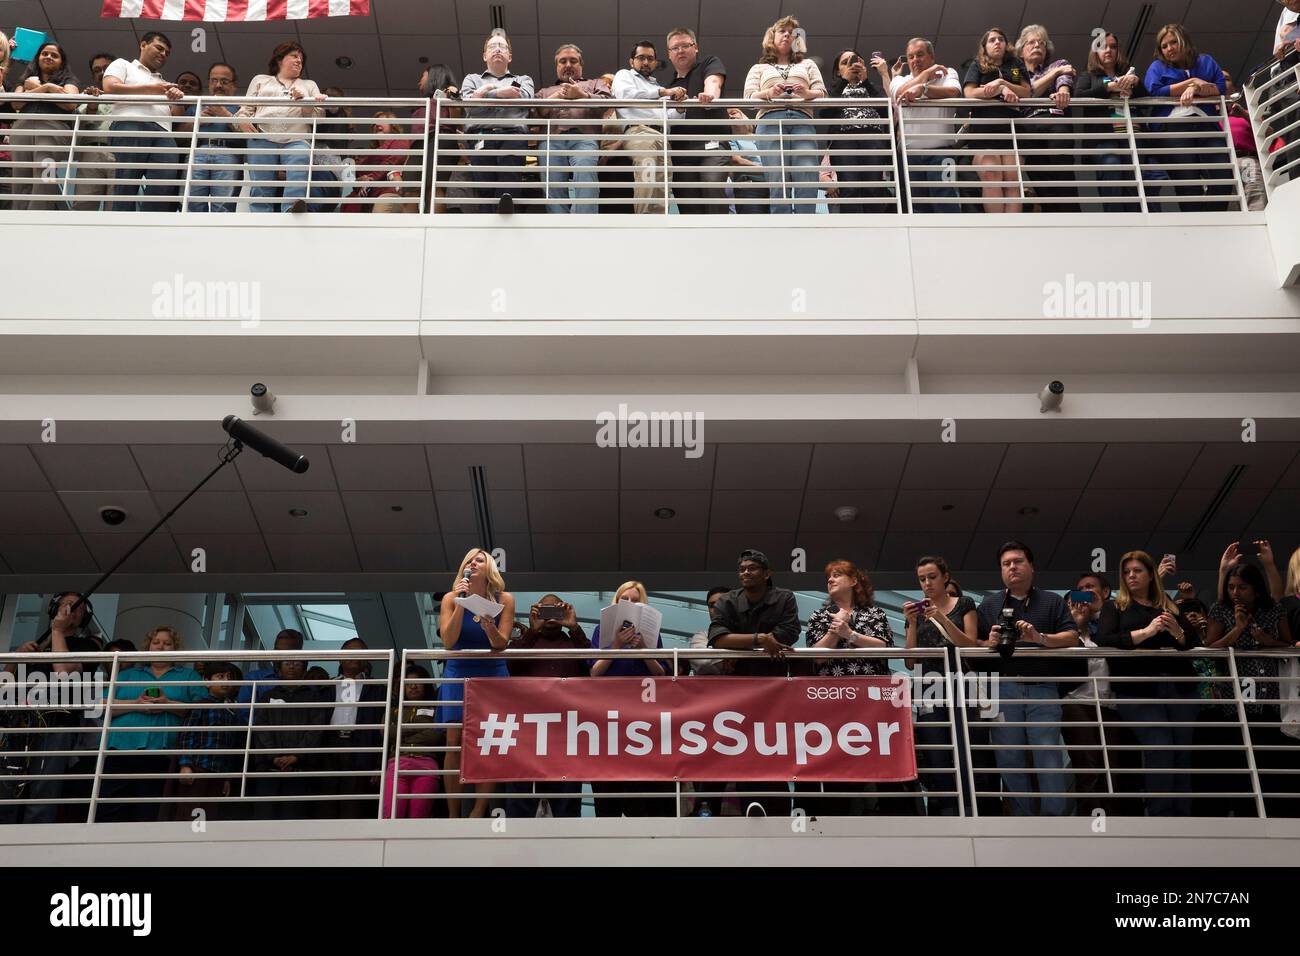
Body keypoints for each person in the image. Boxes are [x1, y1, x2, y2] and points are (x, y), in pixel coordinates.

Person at [975, 541, 1078, 816]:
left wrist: (1039, 638)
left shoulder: (1052, 601)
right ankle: (1023, 820)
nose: (1012, 567)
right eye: (1006, 563)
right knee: (1009, 758)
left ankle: (1054, 821)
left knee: (1048, 757)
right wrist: (990, 641)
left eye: (1018, 561)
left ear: (1031, 566)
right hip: (1002, 688)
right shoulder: (990, 604)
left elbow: (1072, 637)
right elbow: (975, 645)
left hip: (1042, 687)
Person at [1095, 552, 1201, 816]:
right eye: (1127, 572)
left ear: (1150, 574)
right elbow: (1105, 640)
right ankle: (1160, 816)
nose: (1131, 576)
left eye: (1138, 571)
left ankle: (1184, 817)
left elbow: (1192, 642)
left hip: (1178, 685)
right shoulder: (1114, 606)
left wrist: (1176, 631)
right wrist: (1147, 632)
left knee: (1182, 754)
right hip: (1137, 689)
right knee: (1160, 748)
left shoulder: (1168, 605)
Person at [802, 560, 906, 815]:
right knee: (839, 756)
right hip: (833, 702)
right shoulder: (819, 616)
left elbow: (885, 647)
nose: (830, 580)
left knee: (878, 754)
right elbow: (816, 656)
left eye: (837, 575)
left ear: (854, 581)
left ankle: (886, 812)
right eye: (828, 576)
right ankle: (839, 813)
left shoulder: (875, 614)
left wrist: (851, 634)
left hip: (872, 703)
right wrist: (836, 630)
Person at [706, 549, 800, 816]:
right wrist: (760, 639)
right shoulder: (727, 600)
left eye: (753, 568)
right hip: (739, 691)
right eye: (742, 569)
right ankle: (750, 807)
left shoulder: (785, 598)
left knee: (775, 746)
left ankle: (780, 812)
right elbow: (718, 638)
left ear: (767, 573)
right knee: (745, 746)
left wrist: (741, 645)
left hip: (775, 689)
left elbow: (788, 635)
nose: (746, 572)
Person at [0, 593, 103, 825]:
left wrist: (57, 631)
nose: (70, 610)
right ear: (53, 608)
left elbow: (64, 673)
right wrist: (16, 659)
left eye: (77, 608)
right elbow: (4, 687)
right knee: (7, 786)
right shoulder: (36, 647)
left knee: (43, 788)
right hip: (19, 724)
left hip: (57, 722)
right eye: (66, 604)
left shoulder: (88, 645)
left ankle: (33, 849)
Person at [1206, 560, 1295, 815]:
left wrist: (1266, 640)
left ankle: (1275, 811)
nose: (1236, 593)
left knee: (1271, 755)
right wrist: (1237, 630)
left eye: (1242, 587)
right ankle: (1244, 812)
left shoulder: (1273, 609)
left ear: (1256, 589)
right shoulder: (1220, 609)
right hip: (1236, 697)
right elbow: (1210, 648)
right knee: (1240, 757)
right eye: (1232, 587)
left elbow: (1287, 643)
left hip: (1270, 696)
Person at [437, 547, 515, 818]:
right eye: (469, 559)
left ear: (490, 567)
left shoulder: (504, 598)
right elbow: (448, 641)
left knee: (488, 740)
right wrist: (461, 601)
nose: (473, 562)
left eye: (479, 559)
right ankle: (453, 813)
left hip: (492, 673)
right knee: (454, 741)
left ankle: (479, 809)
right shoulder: (450, 597)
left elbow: (501, 644)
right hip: (459, 672)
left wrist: (489, 626)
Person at [99, 626, 205, 823]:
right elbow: (101, 706)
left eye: (167, 643)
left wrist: (167, 704)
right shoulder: (127, 675)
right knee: (109, 809)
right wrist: (136, 704)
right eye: (156, 643)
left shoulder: (189, 676)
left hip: (162, 753)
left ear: (175, 649)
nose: (161, 647)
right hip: (120, 749)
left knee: (149, 811)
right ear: (148, 647)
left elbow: (202, 710)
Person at [589, 581, 674, 817]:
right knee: (608, 776)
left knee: (639, 778)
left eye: (635, 600)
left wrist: (644, 648)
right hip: (609, 714)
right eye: (624, 599)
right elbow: (594, 672)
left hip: (642, 713)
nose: (630, 604)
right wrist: (616, 645)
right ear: (616, 603)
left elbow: (661, 673)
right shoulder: (601, 631)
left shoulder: (652, 633)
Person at [904, 556, 980, 816]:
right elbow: (911, 660)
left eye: (932, 577)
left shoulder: (964, 604)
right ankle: (947, 809)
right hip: (928, 686)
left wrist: (942, 619)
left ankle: (970, 809)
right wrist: (912, 623)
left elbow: (970, 645)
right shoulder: (917, 613)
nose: (927, 583)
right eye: (922, 579)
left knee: (965, 747)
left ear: (946, 576)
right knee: (936, 751)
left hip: (962, 682)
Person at [505, 594, 589, 818]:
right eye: (546, 610)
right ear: (536, 612)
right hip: (527, 733)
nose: (551, 615)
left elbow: (592, 666)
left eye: (556, 610)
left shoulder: (574, 642)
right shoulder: (524, 642)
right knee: (520, 801)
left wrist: (574, 627)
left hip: (567, 733)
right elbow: (509, 666)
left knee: (567, 803)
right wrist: (533, 630)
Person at [1143, 23, 1232, 211]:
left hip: (1205, 124)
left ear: (1184, 41)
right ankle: (1197, 230)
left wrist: (1197, 88)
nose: (1169, 49)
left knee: (1223, 174)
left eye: (1173, 42)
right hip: (1173, 127)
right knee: (1187, 182)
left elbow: (1221, 88)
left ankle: (1214, 219)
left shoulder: (1206, 61)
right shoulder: (1157, 66)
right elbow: (1154, 91)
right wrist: (1191, 82)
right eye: (1164, 46)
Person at [744, 15, 827, 214]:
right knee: (776, 175)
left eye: (792, 33)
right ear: (771, 37)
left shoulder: (807, 64)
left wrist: (806, 94)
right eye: (782, 31)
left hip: (801, 118)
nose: (787, 35)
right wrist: (769, 93)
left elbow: (822, 93)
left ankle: (805, 220)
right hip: (770, 119)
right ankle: (780, 221)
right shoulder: (759, 67)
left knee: (807, 172)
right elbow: (748, 98)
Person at [1061, 572, 1127, 816]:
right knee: (1088, 767)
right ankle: (1092, 825)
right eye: (1079, 591)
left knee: (1113, 768)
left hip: (1110, 705)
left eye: (1090, 589)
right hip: (1076, 703)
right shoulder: (1067, 634)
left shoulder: (1108, 625)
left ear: (1106, 592)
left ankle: (1114, 824)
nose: (1084, 596)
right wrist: (1076, 624)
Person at [235, 41, 328, 213]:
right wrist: (242, 119)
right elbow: (246, 108)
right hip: (262, 136)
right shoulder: (261, 80)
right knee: (261, 184)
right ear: (279, 60)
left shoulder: (309, 84)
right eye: (294, 56)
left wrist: (305, 103)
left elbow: (318, 117)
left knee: (299, 170)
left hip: (296, 138)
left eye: (301, 58)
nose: (299, 60)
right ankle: (261, 217)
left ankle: (291, 211)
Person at [103, 32, 184, 211]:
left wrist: (176, 97)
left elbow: (177, 115)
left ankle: (151, 231)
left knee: (164, 185)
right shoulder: (122, 64)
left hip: (164, 132)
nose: (163, 54)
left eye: (167, 53)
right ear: (143, 45)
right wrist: (154, 89)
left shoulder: (163, 82)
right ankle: (122, 230)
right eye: (159, 48)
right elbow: (110, 87)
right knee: (126, 183)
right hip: (131, 123)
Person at [459, 30, 535, 208]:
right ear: (484, 56)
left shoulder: (523, 79)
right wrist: (501, 93)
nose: (497, 49)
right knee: (485, 189)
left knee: (509, 187)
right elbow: (470, 105)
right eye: (492, 46)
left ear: (510, 56)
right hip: (480, 136)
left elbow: (524, 101)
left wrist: (484, 94)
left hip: (513, 135)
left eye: (502, 46)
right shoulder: (472, 79)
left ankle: (505, 224)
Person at [1074, 31, 1148, 212]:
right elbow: (1079, 96)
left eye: (1113, 46)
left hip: (1133, 135)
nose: (1108, 50)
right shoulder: (1089, 75)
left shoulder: (1128, 74)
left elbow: (1146, 96)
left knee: (1134, 181)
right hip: (1104, 137)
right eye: (1103, 46)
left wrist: (1135, 82)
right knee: (1112, 167)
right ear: (1095, 51)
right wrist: (1109, 87)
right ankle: (1115, 220)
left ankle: (1136, 225)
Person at [658, 27, 728, 214]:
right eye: (675, 48)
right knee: (688, 203)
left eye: (685, 45)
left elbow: (713, 83)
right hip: (681, 154)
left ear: (695, 47)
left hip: (712, 145)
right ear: (669, 54)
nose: (680, 50)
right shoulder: (668, 89)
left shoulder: (708, 63)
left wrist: (709, 96)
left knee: (712, 185)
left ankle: (720, 238)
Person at [250, 653, 328, 820]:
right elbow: (261, 727)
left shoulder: (314, 698)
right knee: (264, 817)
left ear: (304, 670)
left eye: (297, 663)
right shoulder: (267, 696)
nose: (292, 666)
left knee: (295, 818)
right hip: (268, 767)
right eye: (287, 663)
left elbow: (316, 730)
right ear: (278, 670)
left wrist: (296, 755)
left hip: (301, 768)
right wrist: (274, 756)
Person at [535, 43, 610, 214]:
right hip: (551, 141)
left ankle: (584, 226)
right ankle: (560, 228)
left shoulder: (595, 83)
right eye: (563, 61)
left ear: (581, 66)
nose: (568, 65)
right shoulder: (545, 91)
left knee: (585, 174)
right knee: (551, 182)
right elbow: (534, 113)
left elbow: (607, 102)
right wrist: (554, 97)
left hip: (584, 139)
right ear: (557, 67)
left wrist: (581, 95)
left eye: (573, 61)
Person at [961, 27, 1031, 212]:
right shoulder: (978, 64)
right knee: (992, 175)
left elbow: (1026, 91)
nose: (997, 42)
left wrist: (1002, 83)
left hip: (1011, 129)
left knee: (1011, 179)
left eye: (1001, 39)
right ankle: (997, 229)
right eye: (992, 40)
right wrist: (999, 92)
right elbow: (969, 92)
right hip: (985, 129)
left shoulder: (1015, 64)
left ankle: (1012, 229)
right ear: (984, 47)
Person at [890, 37, 962, 213]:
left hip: (941, 153)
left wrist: (924, 89)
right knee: (916, 209)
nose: (915, 60)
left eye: (920, 54)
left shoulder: (947, 72)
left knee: (946, 204)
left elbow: (954, 92)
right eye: (911, 57)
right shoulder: (898, 80)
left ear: (931, 57)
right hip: (909, 156)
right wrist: (924, 78)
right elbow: (900, 92)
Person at [7, 42, 82, 210]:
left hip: (52, 129)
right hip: (23, 129)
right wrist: (47, 89)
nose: (48, 57)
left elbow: (71, 103)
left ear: (61, 62)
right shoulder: (25, 80)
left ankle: (39, 217)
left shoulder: (69, 80)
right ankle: (20, 222)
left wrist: (39, 89)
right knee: (21, 177)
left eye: (54, 55)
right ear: (38, 58)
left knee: (44, 172)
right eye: (45, 54)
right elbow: (16, 103)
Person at [612, 41, 682, 214]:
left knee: (663, 186)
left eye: (650, 59)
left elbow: (668, 117)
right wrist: (663, 93)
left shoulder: (656, 85)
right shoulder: (624, 75)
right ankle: (644, 227)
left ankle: (658, 228)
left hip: (661, 137)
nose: (645, 62)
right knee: (648, 180)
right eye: (641, 57)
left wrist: (680, 108)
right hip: (639, 132)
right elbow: (626, 95)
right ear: (631, 61)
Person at [820, 49, 893, 213]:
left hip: (872, 139)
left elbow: (886, 110)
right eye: (844, 63)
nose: (851, 65)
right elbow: (825, 113)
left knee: (873, 189)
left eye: (855, 61)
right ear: (838, 71)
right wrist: (844, 82)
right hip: (844, 141)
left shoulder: (871, 88)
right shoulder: (835, 91)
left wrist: (865, 81)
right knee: (850, 189)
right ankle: (853, 233)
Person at [1015, 24, 1079, 212]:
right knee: (1040, 180)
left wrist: (1063, 91)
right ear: (1021, 51)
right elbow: (1028, 92)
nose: (1037, 46)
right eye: (1031, 42)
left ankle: (1073, 220)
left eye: (1041, 43)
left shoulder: (1058, 65)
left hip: (1054, 121)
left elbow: (1064, 80)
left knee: (1063, 176)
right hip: (1028, 129)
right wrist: (1054, 76)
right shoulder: (1016, 74)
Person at [171, 662, 244, 822]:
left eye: (229, 678)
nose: (225, 682)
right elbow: (187, 735)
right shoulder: (200, 704)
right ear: (206, 680)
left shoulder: (231, 711)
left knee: (211, 813)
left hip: (218, 771)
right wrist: (185, 765)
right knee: (191, 812)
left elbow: (230, 748)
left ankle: (202, 843)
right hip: (198, 767)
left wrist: (226, 778)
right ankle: (188, 843)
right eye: (220, 677)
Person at [321, 637, 385, 819]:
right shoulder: (326, 686)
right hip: (329, 745)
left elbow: (382, 731)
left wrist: (378, 763)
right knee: (326, 799)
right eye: (350, 652)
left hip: (360, 745)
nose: (355, 656)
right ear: (340, 658)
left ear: (367, 659)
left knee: (354, 803)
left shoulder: (378, 688)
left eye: (360, 653)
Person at [381, 663, 442, 819]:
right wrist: (419, 727)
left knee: (418, 819)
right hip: (397, 765)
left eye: (418, 682)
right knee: (391, 815)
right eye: (408, 683)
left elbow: (435, 735)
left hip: (426, 767)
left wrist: (404, 730)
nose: (413, 686)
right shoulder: (393, 710)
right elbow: (387, 733)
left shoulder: (437, 708)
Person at [188, 62, 241, 212]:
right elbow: (179, 132)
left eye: (224, 81)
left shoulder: (241, 106)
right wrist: (199, 121)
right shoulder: (197, 104)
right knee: (193, 205)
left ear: (233, 85)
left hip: (228, 153)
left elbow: (249, 136)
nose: (218, 85)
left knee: (223, 208)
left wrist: (223, 113)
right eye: (214, 80)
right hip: (198, 152)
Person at [342, 112, 414, 213]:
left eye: (382, 121)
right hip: (366, 198)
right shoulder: (370, 153)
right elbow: (357, 180)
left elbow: (391, 161)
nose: (377, 125)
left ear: (393, 125)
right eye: (375, 123)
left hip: (387, 192)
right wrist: (360, 180)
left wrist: (371, 179)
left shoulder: (399, 140)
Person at [724, 107, 767, 213]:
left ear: (743, 116)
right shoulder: (730, 139)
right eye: (727, 116)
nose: (731, 116)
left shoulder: (760, 136)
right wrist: (766, 169)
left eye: (734, 113)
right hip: (749, 186)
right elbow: (736, 161)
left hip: (771, 185)